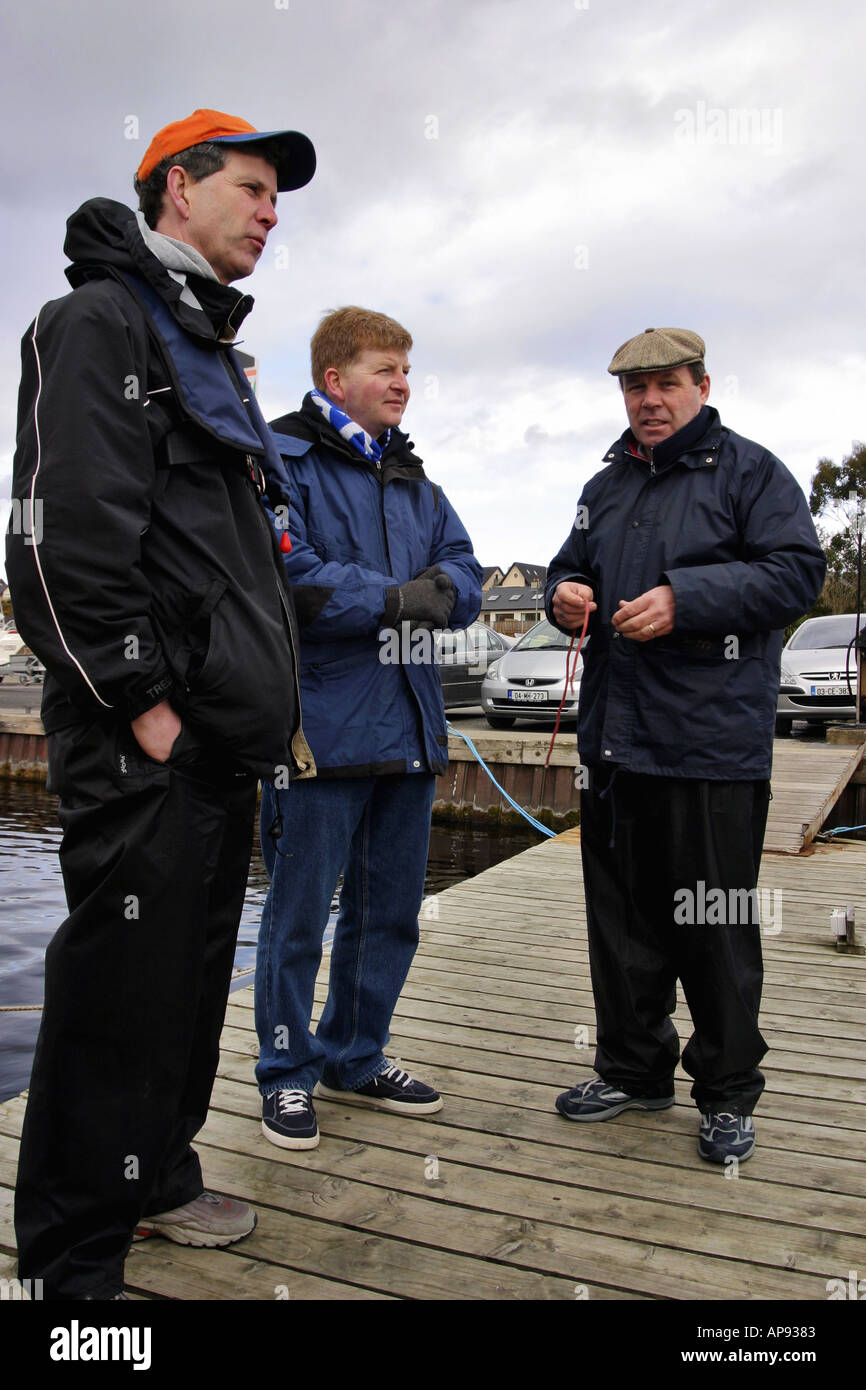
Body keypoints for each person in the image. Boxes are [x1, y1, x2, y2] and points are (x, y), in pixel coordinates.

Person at [6, 108, 316, 1299]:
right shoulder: (96, 323)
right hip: (151, 744)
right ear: (175, 190)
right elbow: (60, 541)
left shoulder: (206, 350)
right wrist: (144, 707)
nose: (270, 210)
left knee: (187, 986)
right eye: (249, 187)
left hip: (218, 745)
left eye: (278, 195)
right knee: (114, 1004)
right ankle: (73, 1275)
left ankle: (157, 1178)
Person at [545, 327, 825, 1164]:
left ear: (702, 384)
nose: (649, 401)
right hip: (614, 745)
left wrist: (684, 598)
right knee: (621, 924)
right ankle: (633, 1070)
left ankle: (729, 1090)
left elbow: (796, 573)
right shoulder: (605, 482)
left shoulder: (753, 472)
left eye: (665, 384)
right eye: (634, 389)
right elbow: (569, 567)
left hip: (709, 747)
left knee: (713, 926)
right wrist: (565, 593)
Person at [254, 306, 482, 1149]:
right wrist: (396, 598)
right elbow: (294, 577)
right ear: (333, 379)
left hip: (412, 727)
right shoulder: (282, 461)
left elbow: (464, 567)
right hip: (320, 732)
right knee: (298, 917)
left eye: (406, 370)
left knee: (389, 914)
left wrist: (442, 590)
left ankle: (356, 1054)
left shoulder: (418, 479)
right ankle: (285, 1073)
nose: (401, 383)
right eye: (386, 368)